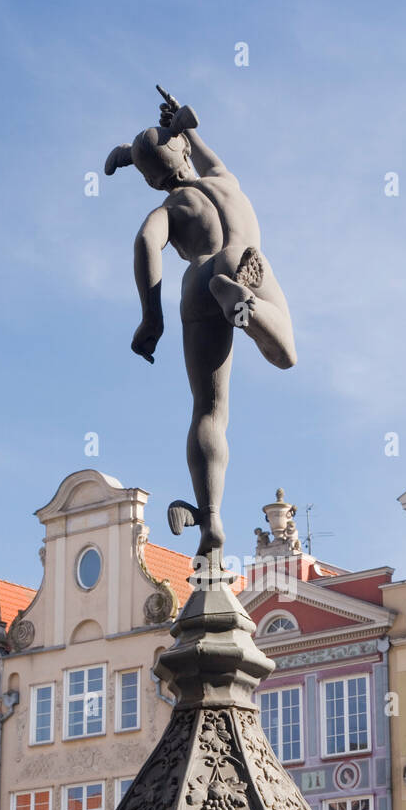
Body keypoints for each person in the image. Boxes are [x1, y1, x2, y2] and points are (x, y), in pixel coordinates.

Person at [105, 89, 296, 561]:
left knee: (208, 410)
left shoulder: (170, 208)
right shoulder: (226, 181)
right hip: (244, 259)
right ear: (185, 150)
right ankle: (248, 304)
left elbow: (146, 243)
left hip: (198, 279)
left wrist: (152, 316)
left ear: (152, 180)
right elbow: (203, 153)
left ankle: (210, 517)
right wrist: (187, 128)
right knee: (285, 353)